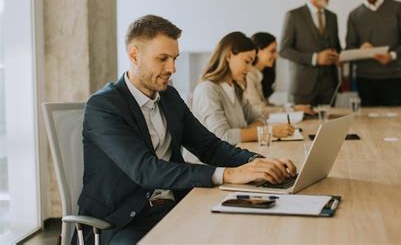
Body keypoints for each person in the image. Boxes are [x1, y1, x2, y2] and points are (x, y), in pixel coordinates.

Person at [76, 15, 297, 244]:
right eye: (162, 59)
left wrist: (257, 162)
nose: (172, 68)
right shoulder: (104, 106)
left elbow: (209, 146)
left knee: (244, 230)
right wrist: (228, 174)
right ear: (134, 55)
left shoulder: (168, 97)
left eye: (174, 58)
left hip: (175, 206)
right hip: (123, 222)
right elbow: (145, 170)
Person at [192, 32, 295, 145]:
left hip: (232, 156)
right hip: (208, 162)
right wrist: (269, 131)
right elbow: (222, 136)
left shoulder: (236, 88)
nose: (250, 69)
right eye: (247, 61)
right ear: (229, 56)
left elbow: (259, 118)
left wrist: (242, 133)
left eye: (251, 63)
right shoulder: (207, 90)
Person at [280, 0, 342, 106]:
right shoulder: (293, 16)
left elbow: (337, 47)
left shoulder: (333, 17)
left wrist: (337, 55)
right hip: (302, 88)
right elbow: (284, 50)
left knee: (330, 126)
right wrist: (315, 58)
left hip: (329, 87)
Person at [245, 32, 315, 117]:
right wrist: (293, 110)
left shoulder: (260, 75)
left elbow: (266, 106)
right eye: (272, 51)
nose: (276, 56)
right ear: (257, 51)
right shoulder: (248, 76)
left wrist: (294, 107)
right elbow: (259, 110)